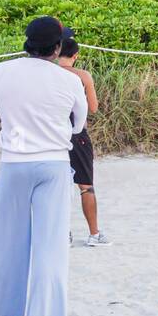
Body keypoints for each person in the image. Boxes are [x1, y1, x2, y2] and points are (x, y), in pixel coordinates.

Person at [0, 16, 87, 316]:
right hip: (52, 163)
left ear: (27, 42)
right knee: (50, 247)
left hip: (13, 163)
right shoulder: (69, 80)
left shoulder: (1, 71)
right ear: (58, 47)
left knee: (5, 242)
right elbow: (79, 124)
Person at [57, 29, 107, 246]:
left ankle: (64, 234)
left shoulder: (48, 73)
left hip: (53, 134)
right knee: (86, 186)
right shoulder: (83, 76)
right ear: (75, 55)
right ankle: (94, 234)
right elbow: (93, 107)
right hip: (77, 135)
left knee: (59, 188)